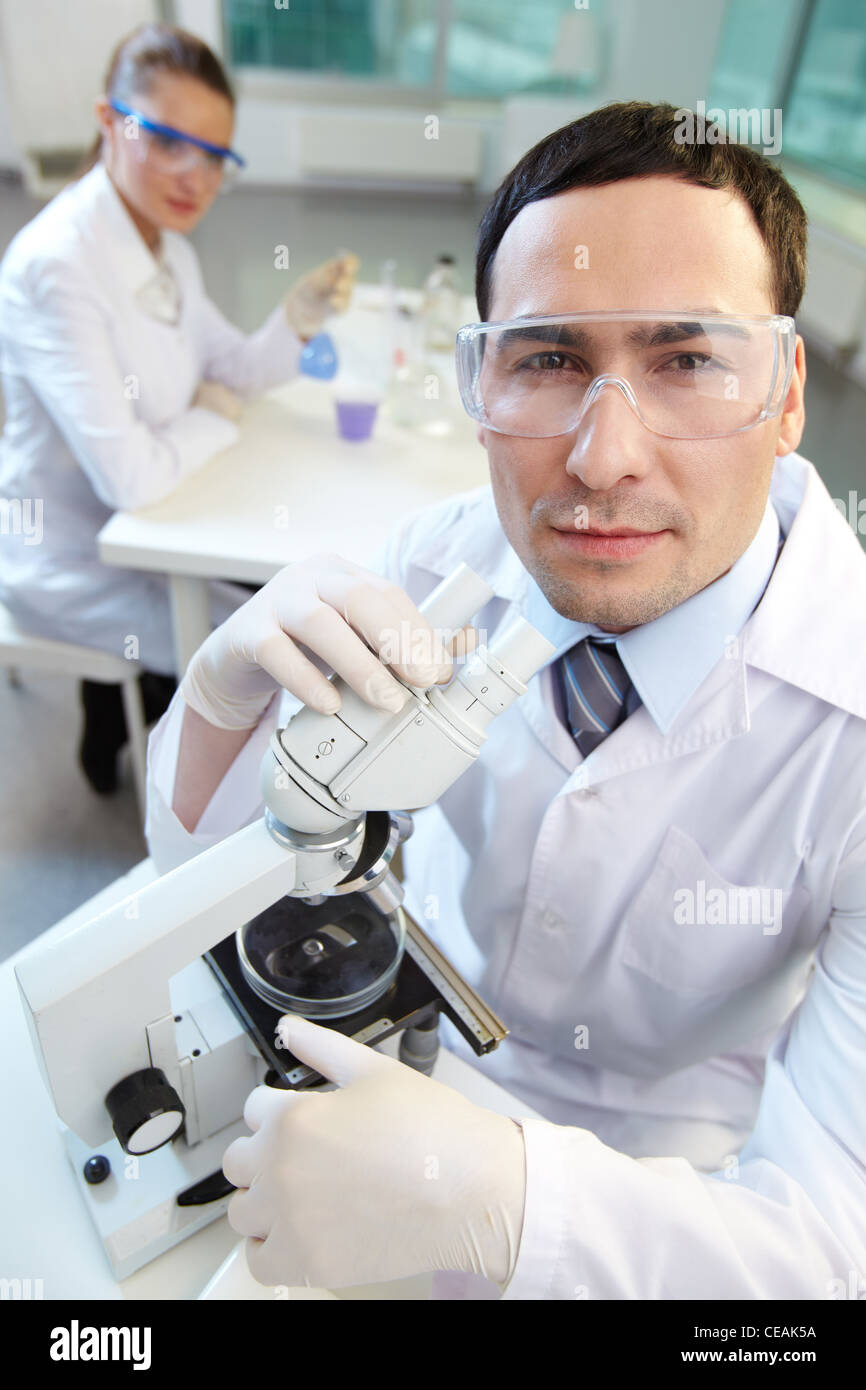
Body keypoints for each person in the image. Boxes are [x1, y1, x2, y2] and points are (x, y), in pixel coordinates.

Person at [145, 102, 866, 1298]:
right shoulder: (437, 561)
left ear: (785, 392)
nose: (600, 459)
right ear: (479, 377)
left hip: (677, 1211)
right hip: (391, 1066)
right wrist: (220, 694)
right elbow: (200, 875)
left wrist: (512, 1209)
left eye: (686, 360)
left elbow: (831, 1244)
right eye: (548, 358)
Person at [0, 22, 358, 792]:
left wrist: (293, 320)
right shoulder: (55, 267)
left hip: (159, 520)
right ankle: (172, 792)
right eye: (166, 140)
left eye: (216, 156)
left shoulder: (169, 245)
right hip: (75, 553)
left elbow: (229, 366)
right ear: (109, 122)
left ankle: (131, 712)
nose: (194, 175)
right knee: (259, 648)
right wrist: (214, 417)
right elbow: (131, 478)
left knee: (268, 606)